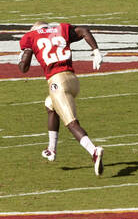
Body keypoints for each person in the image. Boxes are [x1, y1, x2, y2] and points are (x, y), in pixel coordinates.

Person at [18, 21, 105, 173]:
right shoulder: (59, 29)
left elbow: (24, 68)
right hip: (72, 80)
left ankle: (94, 151)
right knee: (50, 105)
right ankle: (51, 149)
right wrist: (96, 50)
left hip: (57, 83)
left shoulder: (31, 37)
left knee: (71, 123)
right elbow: (84, 30)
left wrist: (24, 54)